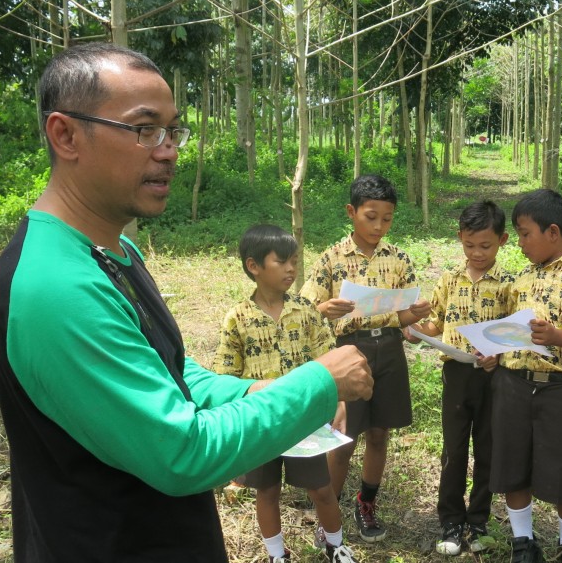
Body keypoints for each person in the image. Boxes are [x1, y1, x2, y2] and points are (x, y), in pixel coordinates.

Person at [0, 42, 372, 562]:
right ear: (66, 134)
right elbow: (184, 453)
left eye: (172, 131)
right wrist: (318, 384)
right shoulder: (57, 285)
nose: (167, 149)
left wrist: (259, 387)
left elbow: (167, 371)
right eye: (144, 129)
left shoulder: (113, 248)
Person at [214, 224, 357, 563]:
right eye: (282, 262)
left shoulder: (305, 310)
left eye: (294, 261)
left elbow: (328, 356)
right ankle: (277, 555)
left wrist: (338, 401)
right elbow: (226, 376)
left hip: (303, 416)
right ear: (254, 266)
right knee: (267, 490)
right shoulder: (238, 318)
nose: (292, 269)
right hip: (260, 419)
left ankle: (336, 546)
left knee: (321, 488)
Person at [300, 173, 432, 542]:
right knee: (344, 435)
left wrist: (414, 315)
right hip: (347, 351)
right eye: (370, 216)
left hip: (388, 348)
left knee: (379, 433)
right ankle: (330, 511)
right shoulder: (330, 259)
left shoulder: (399, 259)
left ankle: (366, 503)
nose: (379, 226)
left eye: (387, 219)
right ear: (351, 212)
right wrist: (326, 307)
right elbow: (308, 309)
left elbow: (403, 316)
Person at [491, 188, 562, 563]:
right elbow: (507, 329)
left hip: (561, 389)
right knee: (513, 463)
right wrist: (490, 347)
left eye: (526, 234)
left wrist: (558, 337)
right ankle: (523, 541)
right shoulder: (519, 279)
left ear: (553, 232)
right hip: (513, 383)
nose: (521, 243)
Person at [406, 200, 514, 556]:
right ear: (460, 239)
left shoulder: (508, 286)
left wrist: (497, 356)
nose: (477, 253)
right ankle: (451, 520)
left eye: (485, 246)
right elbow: (436, 322)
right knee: (453, 450)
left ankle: (479, 519)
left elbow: (514, 335)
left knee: (487, 448)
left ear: (503, 241)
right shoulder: (449, 280)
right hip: (456, 373)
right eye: (470, 245)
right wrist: (419, 331)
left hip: (491, 378)